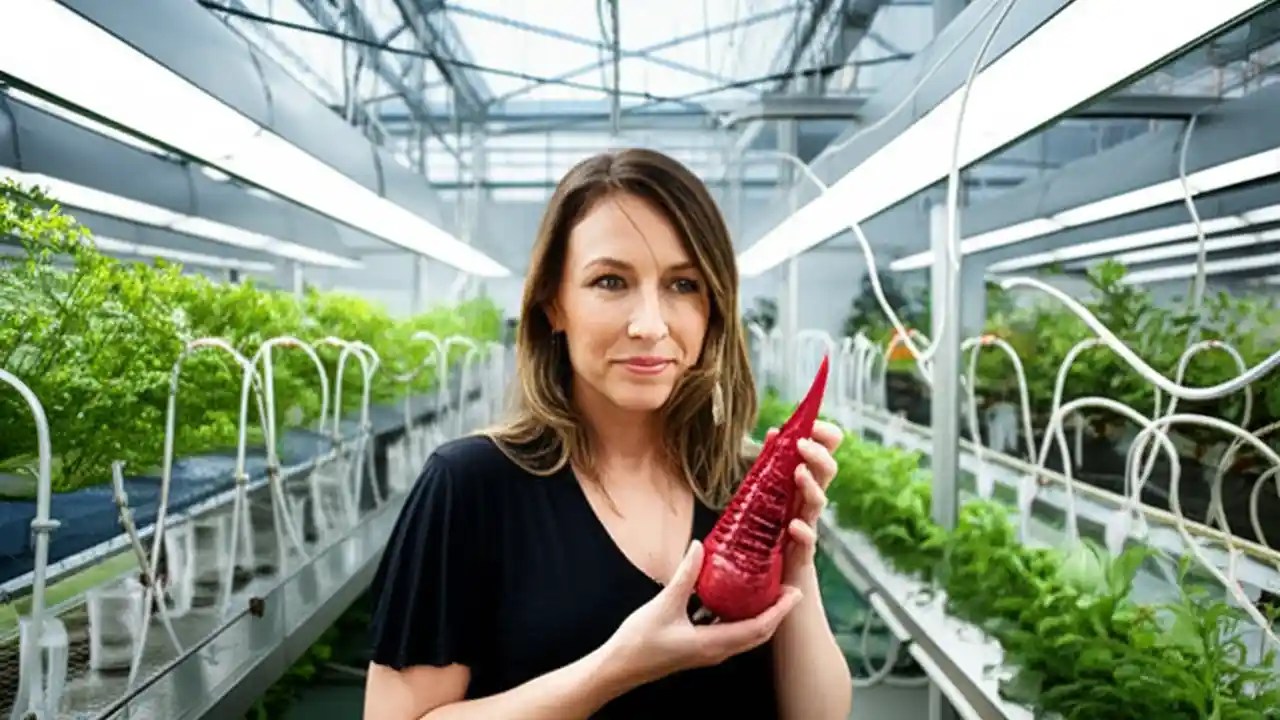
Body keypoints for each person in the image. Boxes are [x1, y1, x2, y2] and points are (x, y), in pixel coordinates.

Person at [363, 148, 852, 719]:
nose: (650, 325)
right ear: (553, 305)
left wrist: (794, 557)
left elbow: (818, 716)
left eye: (684, 285)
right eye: (610, 281)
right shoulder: (471, 486)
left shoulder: (739, 485)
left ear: (714, 307)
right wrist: (616, 669)